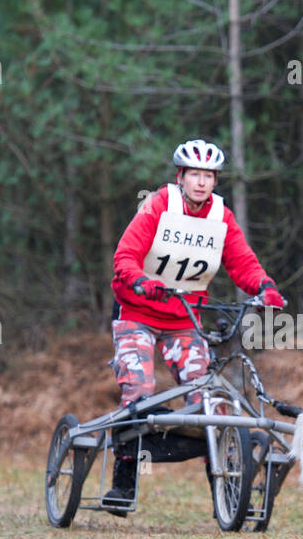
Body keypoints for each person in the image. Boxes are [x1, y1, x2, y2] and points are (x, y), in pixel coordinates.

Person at [103, 138, 286, 513]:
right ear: (180, 177)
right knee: (138, 392)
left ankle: (229, 496)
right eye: (194, 175)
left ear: (215, 180)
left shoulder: (221, 217)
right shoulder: (157, 206)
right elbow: (125, 256)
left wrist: (265, 288)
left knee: (208, 403)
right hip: (137, 312)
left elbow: (243, 263)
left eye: (208, 175)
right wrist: (140, 280)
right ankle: (123, 485)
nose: (201, 182)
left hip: (183, 321)